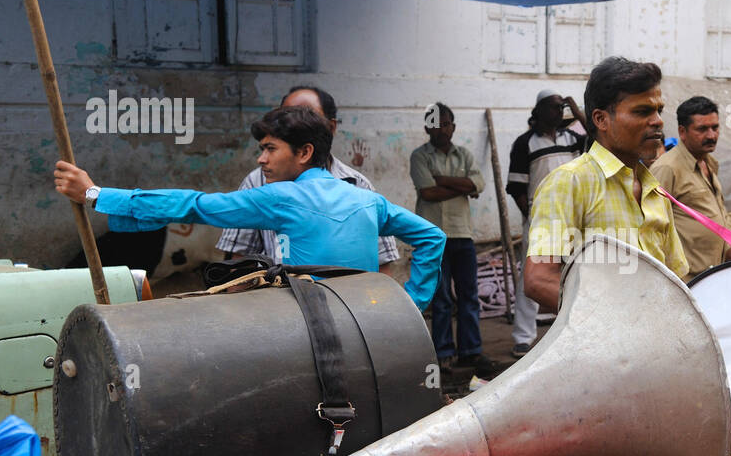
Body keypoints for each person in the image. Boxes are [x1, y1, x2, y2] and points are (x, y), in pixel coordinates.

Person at [54, 106, 444, 311]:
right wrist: (413, 301)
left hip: (309, 329)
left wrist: (95, 195)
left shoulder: (280, 198)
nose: (261, 160)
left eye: (270, 149)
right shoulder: (367, 199)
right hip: (370, 325)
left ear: (304, 153)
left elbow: (192, 205)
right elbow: (432, 236)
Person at [524, 57, 687, 309]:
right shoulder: (569, 182)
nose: (658, 121)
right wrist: (615, 323)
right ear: (601, 120)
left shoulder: (656, 192)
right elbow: (539, 280)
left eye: (659, 111)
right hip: (599, 346)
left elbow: (676, 280)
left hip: (654, 345)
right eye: (642, 111)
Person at [216, 85, 399, 270]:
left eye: (308, 116)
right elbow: (238, 258)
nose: (296, 125)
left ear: (331, 127)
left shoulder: (357, 185)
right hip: (281, 296)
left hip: (347, 296)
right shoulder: (256, 183)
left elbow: (383, 262)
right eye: (286, 118)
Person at [409, 102, 494, 376]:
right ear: (427, 127)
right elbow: (428, 193)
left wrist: (441, 180)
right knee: (442, 297)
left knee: (469, 296)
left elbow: (477, 185)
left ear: (453, 127)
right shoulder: (419, 156)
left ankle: (471, 351)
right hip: (433, 238)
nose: (441, 129)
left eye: (446, 124)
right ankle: (443, 353)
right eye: (435, 124)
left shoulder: (465, 155)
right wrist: (460, 187)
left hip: (462, 235)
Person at [505, 90, 587, 356]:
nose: (558, 111)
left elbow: (600, 138)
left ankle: (572, 329)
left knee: (576, 273)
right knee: (532, 277)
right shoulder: (525, 143)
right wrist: (531, 216)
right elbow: (517, 187)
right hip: (542, 221)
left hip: (574, 220)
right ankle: (523, 337)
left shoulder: (573, 138)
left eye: (562, 107)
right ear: (538, 110)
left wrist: (576, 111)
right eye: (554, 107)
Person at [650, 96, 730, 279]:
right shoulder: (667, 168)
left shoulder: (709, 163)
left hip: (714, 274)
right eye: (702, 129)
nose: (711, 135)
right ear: (682, 131)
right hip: (686, 280)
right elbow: (652, 228)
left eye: (715, 128)